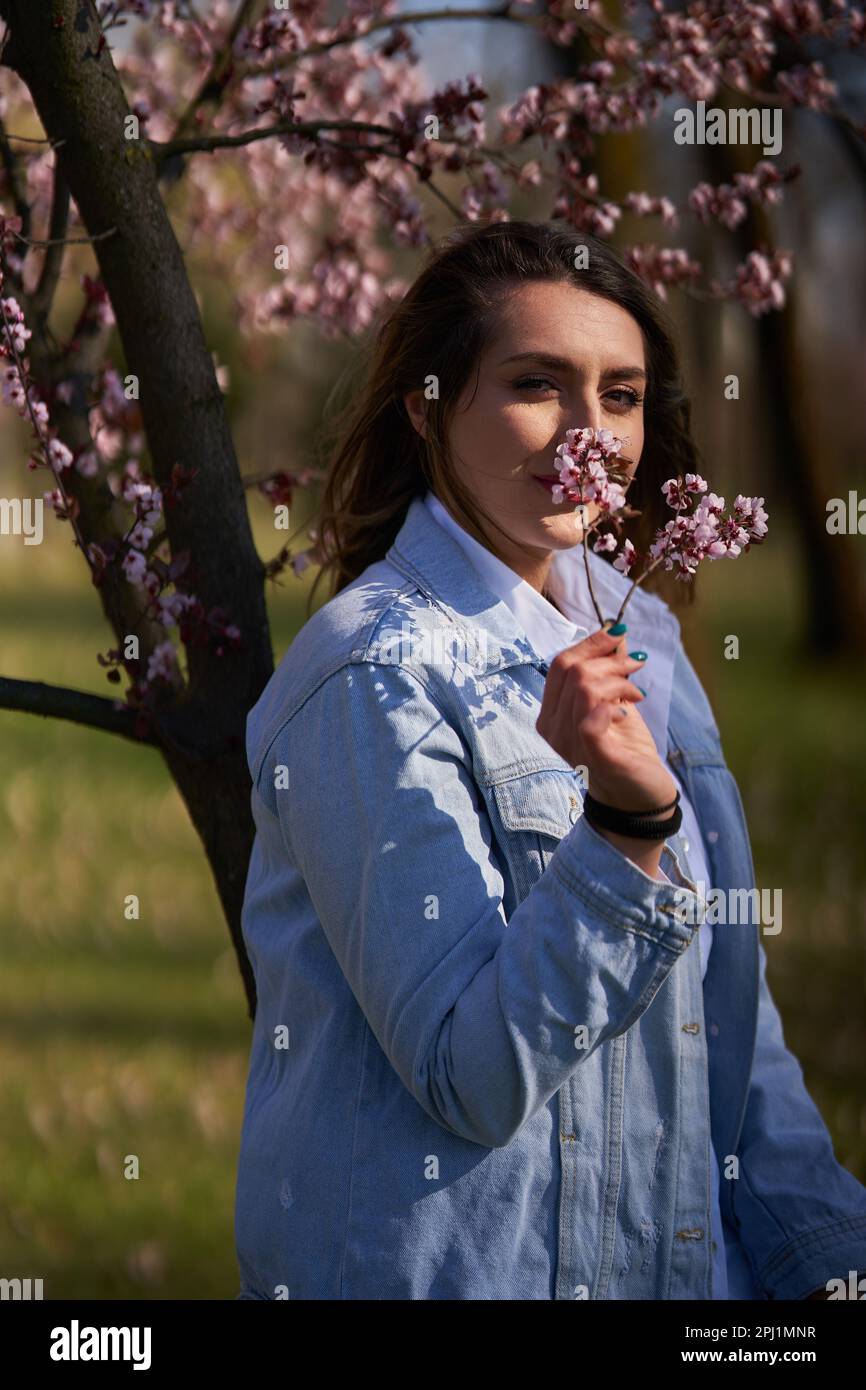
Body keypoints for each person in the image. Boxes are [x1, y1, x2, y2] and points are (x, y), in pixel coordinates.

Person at [233, 220, 866, 1300]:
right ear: (427, 406)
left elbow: (729, 1031)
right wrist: (621, 832)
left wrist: (827, 1267)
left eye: (619, 396)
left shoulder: (647, 649)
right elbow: (469, 1074)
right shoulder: (377, 671)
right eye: (537, 384)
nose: (590, 436)